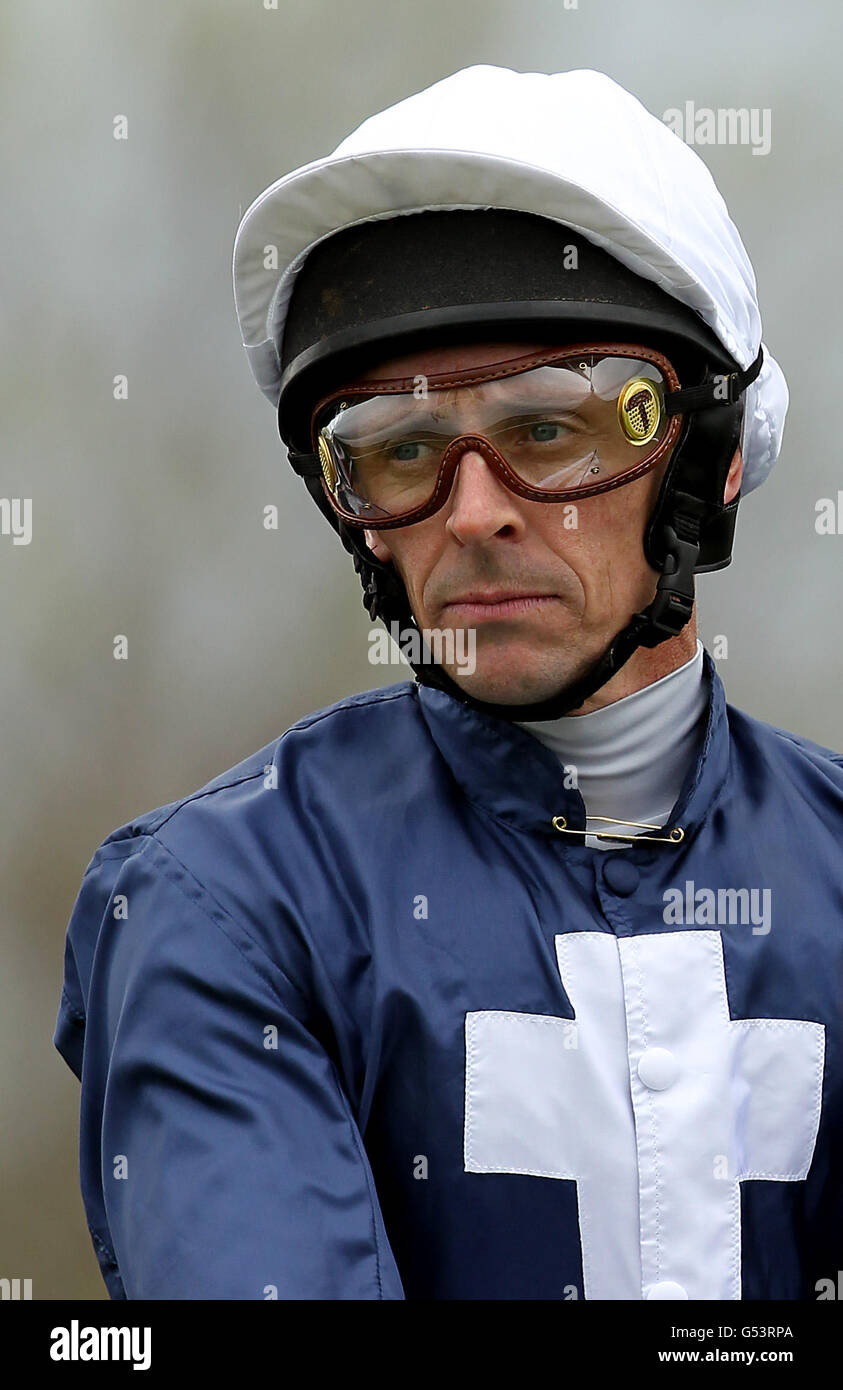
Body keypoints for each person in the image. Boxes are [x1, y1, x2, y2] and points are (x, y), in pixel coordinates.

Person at [54, 65, 842, 1301]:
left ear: (712, 463)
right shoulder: (217, 909)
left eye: (550, 428)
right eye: (402, 448)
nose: (472, 514)